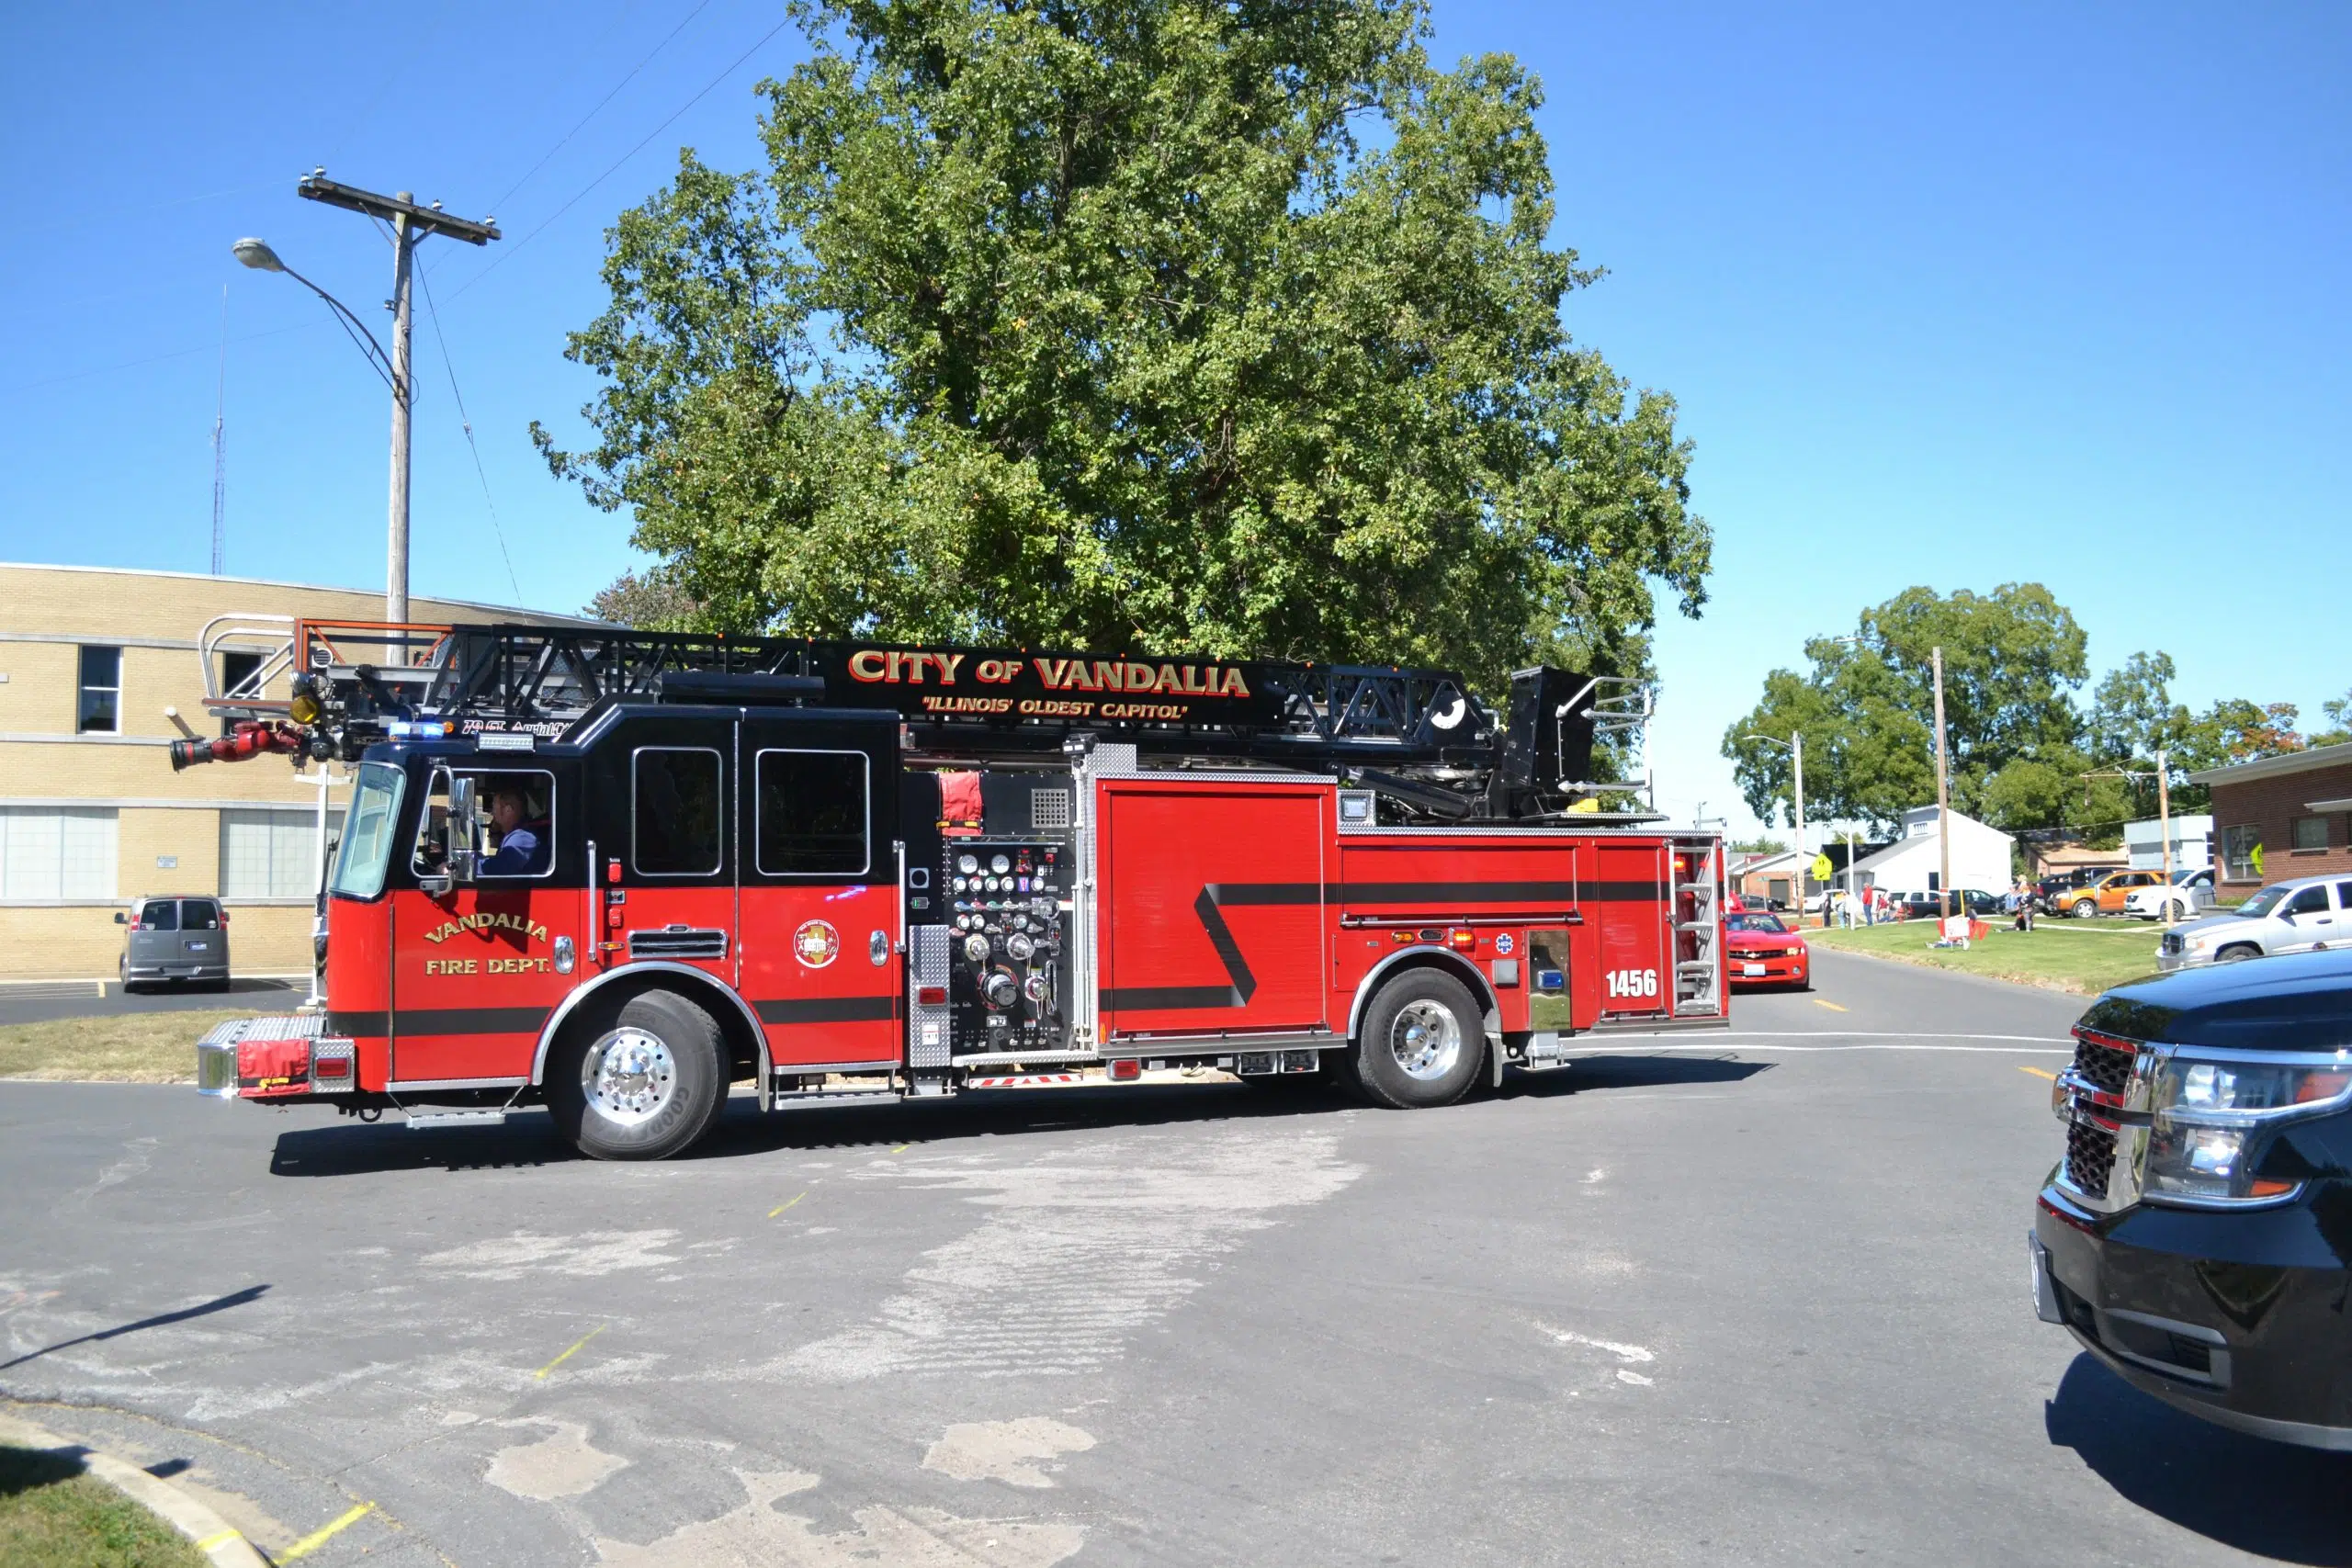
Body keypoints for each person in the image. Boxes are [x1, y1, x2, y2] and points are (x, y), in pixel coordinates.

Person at [479, 784, 550, 875]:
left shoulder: (522, 837)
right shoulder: (518, 836)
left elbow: (497, 869)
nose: (492, 813)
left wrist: (469, 866)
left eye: (494, 807)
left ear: (508, 810)